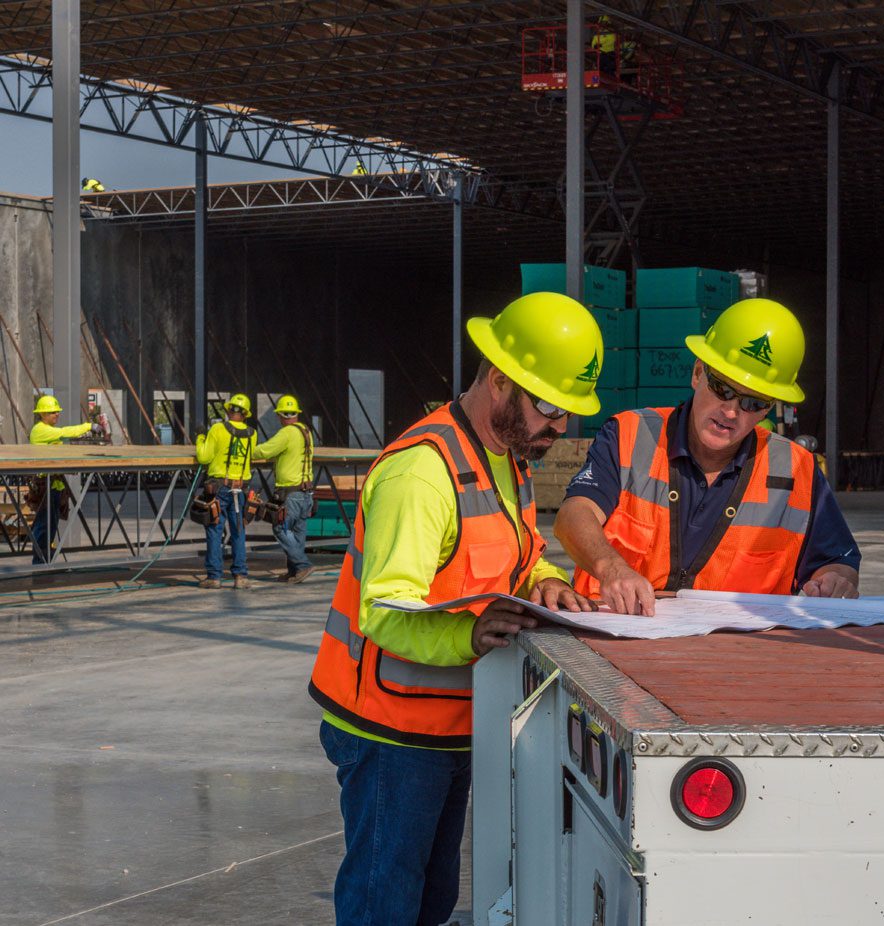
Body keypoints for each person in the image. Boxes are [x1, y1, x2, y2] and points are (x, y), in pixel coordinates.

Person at [308, 292, 602, 926]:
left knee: (431, 900)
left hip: (449, 724)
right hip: (390, 732)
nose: (559, 427)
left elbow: (521, 552)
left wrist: (548, 580)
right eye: (549, 406)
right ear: (499, 379)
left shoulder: (506, 457)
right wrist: (469, 636)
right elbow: (383, 613)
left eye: (569, 412)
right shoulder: (422, 474)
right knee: (386, 904)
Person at [555, 298, 860, 616]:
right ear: (698, 373)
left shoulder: (798, 470)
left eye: (753, 403)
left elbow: (837, 562)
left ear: (768, 408)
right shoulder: (629, 435)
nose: (731, 412)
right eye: (722, 389)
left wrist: (835, 580)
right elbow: (574, 514)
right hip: (611, 633)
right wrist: (611, 567)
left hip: (736, 645)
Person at [28, 394, 101, 564]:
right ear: (42, 414)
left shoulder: (49, 431)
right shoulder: (40, 430)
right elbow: (63, 432)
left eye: (57, 411)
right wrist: (88, 426)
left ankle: (45, 558)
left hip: (54, 484)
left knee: (51, 524)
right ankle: (39, 561)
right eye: (52, 412)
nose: (57, 414)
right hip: (45, 485)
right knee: (44, 524)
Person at [195, 393, 257, 590]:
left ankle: (214, 577)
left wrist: (200, 438)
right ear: (246, 414)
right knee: (239, 531)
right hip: (240, 489)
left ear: (229, 410)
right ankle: (241, 576)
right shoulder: (252, 433)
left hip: (219, 488)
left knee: (215, 529)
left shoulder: (218, 429)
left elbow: (203, 457)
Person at [252, 395, 316, 584]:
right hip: (306, 493)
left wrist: (248, 451)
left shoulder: (287, 433)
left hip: (291, 493)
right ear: (296, 413)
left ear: (280, 415)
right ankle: (294, 572)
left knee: (280, 528)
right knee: (297, 533)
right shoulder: (306, 431)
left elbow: (265, 450)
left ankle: (302, 565)